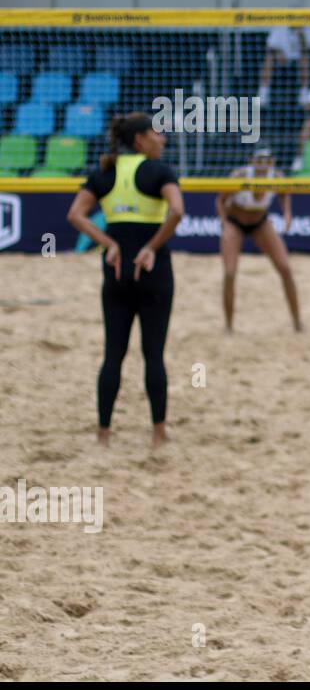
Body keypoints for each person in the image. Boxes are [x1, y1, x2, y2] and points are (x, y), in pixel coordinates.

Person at [66, 112, 184, 447]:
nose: (162, 140)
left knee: (113, 354)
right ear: (140, 139)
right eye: (157, 134)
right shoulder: (160, 171)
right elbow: (177, 211)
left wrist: (108, 243)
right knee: (154, 354)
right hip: (153, 269)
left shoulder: (105, 172)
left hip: (116, 270)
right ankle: (159, 433)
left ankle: (103, 434)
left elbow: (74, 215)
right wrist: (151, 246)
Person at [216, 148, 302, 333]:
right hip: (235, 222)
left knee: (285, 268)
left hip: (260, 222)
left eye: (267, 159)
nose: (263, 164)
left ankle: (297, 323)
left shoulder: (276, 177)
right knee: (230, 273)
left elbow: (285, 194)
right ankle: (229, 326)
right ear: (252, 161)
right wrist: (224, 225)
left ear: (272, 162)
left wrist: (287, 213)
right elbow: (220, 201)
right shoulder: (240, 176)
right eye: (259, 159)